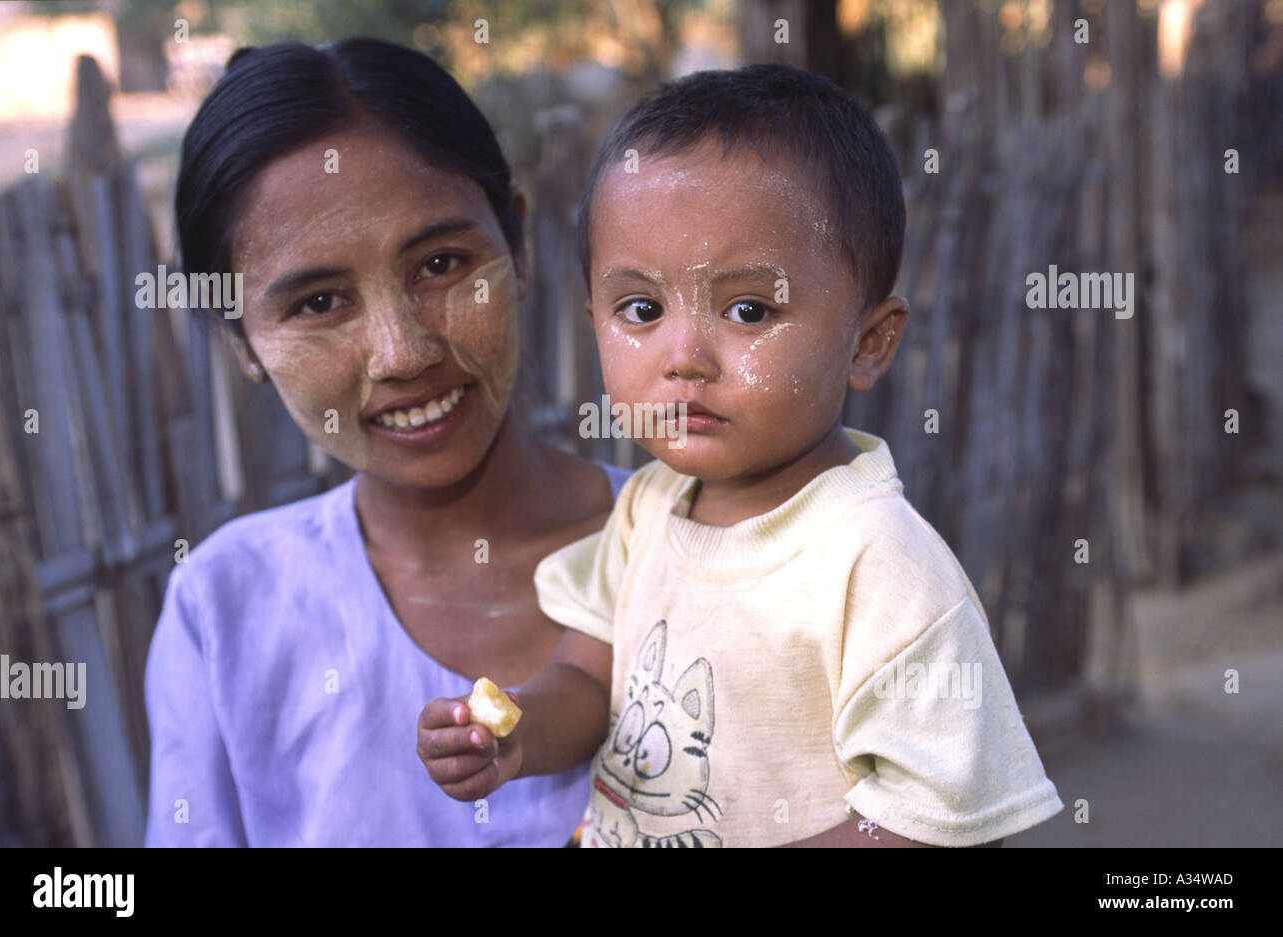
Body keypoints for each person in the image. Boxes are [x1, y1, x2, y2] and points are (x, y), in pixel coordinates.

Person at [417, 65, 1064, 847]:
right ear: (594, 317)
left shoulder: (878, 564)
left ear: (869, 342)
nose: (684, 355)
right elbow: (589, 677)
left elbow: (935, 820)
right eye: (642, 309)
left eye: (749, 309)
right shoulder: (648, 509)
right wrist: (518, 738)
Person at [144, 38, 627, 847]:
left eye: (441, 263)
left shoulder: (705, 551)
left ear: (520, 245)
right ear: (242, 346)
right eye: (320, 301)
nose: (403, 352)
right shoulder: (224, 612)